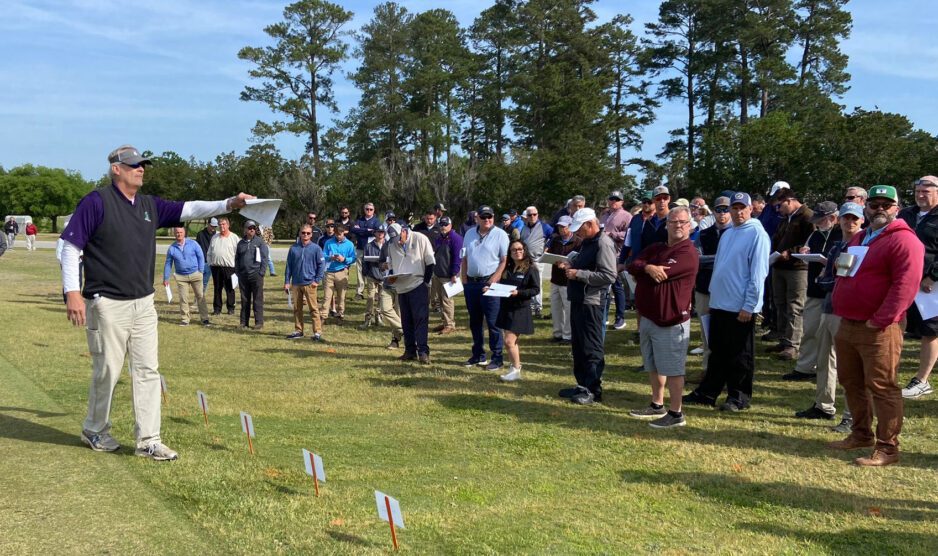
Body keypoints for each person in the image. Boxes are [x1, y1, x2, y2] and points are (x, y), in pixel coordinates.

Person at [61, 144, 253, 460]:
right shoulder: (97, 202)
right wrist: (72, 293)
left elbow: (190, 209)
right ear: (116, 169)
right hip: (106, 303)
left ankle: (149, 440)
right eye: (134, 164)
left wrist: (228, 203)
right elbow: (70, 247)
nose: (141, 169)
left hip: (143, 303)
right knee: (107, 370)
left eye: (143, 164)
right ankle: (94, 430)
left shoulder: (149, 204)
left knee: (148, 370)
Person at [829, 185, 924, 466]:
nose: (879, 208)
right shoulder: (862, 236)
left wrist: (880, 319)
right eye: (874, 204)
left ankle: (888, 447)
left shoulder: (904, 241)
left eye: (886, 204)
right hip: (848, 322)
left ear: (897, 207)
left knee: (883, 387)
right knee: (851, 381)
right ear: (865, 207)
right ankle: (860, 434)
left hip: (879, 327)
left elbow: (905, 286)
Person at [684, 192, 770, 411]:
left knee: (740, 353)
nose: (738, 212)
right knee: (717, 350)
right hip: (720, 302)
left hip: (740, 305)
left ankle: (738, 396)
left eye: (743, 207)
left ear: (751, 209)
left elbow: (758, 273)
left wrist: (750, 305)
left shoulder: (757, 234)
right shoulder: (729, 232)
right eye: (734, 207)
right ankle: (708, 392)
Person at [627, 206, 699, 428]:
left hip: (670, 320)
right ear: (666, 225)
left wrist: (645, 271)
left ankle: (676, 413)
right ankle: (656, 403)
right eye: (673, 222)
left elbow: (663, 275)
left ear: (689, 225)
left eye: (682, 222)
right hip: (649, 317)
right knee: (653, 364)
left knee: (673, 368)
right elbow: (633, 264)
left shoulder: (688, 252)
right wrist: (648, 267)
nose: (678, 226)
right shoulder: (657, 248)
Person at [794, 203, 862, 428]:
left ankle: (851, 415)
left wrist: (832, 280)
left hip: (852, 313)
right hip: (829, 308)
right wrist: (831, 280)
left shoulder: (866, 245)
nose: (849, 222)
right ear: (839, 219)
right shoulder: (836, 246)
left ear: (862, 220)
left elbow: (855, 282)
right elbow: (825, 281)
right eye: (846, 218)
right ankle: (823, 406)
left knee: (851, 366)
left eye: (854, 218)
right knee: (825, 360)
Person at [557, 208, 617, 405]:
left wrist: (579, 274)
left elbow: (609, 276)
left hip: (592, 301)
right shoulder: (588, 242)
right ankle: (582, 384)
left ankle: (593, 389)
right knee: (579, 345)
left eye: (580, 229)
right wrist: (570, 264)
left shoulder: (603, 243)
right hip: (578, 299)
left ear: (590, 224)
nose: (577, 233)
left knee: (591, 346)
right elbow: (585, 262)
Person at [784, 202, 841, 381]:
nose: (817, 223)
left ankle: (828, 371)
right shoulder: (815, 235)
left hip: (835, 290)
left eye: (822, 219)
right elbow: (807, 255)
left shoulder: (842, 234)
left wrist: (830, 262)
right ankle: (805, 367)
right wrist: (805, 253)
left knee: (832, 335)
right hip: (815, 288)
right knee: (810, 329)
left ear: (832, 218)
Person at [898, 176, 938, 399]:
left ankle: (922, 380)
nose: (920, 194)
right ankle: (888, 371)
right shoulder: (907, 214)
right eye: (918, 190)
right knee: (899, 323)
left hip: (929, 286)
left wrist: (933, 277)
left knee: (930, 331)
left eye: (926, 191)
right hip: (904, 279)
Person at [767, 188, 815, 360]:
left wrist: (791, 251)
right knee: (780, 303)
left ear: (789, 200)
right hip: (780, 266)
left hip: (797, 268)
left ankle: (793, 345)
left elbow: (811, 242)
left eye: (779, 206)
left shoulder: (808, 216)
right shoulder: (786, 218)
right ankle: (784, 339)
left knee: (794, 306)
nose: (777, 210)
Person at [461, 205, 510, 370]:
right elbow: (465, 257)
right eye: (483, 217)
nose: (487, 219)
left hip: (490, 283)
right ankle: (478, 355)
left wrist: (492, 282)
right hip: (471, 284)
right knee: (475, 321)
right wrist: (464, 278)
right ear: (477, 218)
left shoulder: (501, 234)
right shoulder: (468, 234)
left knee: (493, 322)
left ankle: (497, 357)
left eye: (490, 216)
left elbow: (504, 260)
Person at [384, 223, 436, 364]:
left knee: (420, 320)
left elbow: (430, 262)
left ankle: (423, 352)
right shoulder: (391, 245)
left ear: (404, 231)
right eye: (393, 239)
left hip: (418, 284)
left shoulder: (420, 238)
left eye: (398, 237)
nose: (396, 241)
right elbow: (391, 267)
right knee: (406, 321)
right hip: (401, 287)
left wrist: (426, 282)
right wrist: (390, 276)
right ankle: (410, 351)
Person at [491, 239, 540, 382]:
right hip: (506, 307)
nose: (517, 252)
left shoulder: (531, 268)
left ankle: (516, 369)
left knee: (508, 341)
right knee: (511, 342)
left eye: (520, 249)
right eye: (514, 250)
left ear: (524, 251)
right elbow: (503, 286)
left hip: (520, 309)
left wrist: (518, 293)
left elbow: (535, 289)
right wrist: (491, 289)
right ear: (510, 253)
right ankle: (514, 368)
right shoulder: (508, 267)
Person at [692, 195, 732, 370]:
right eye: (719, 209)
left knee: (726, 333)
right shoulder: (704, 234)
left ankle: (725, 372)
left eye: (726, 209)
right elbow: (697, 259)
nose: (722, 213)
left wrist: (713, 260)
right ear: (713, 211)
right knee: (706, 332)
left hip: (728, 289)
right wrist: (722, 259)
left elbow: (736, 261)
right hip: (704, 287)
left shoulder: (736, 233)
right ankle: (707, 371)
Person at [284, 223, 326, 341]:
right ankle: (298, 330)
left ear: (311, 235)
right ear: (300, 234)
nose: (305, 235)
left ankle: (317, 332)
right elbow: (289, 266)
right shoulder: (293, 248)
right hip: (296, 283)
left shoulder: (316, 248)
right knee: (297, 309)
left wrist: (316, 280)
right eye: (303, 233)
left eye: (308, 233)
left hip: (310, 283)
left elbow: (321, 265)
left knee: (313, 309)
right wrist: (287, 281)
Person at [162, 226, 209, 326]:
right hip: (181, 277)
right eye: (177, 232)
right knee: (183, 298)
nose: (179, 234)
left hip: (196, 274)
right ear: (175, 234)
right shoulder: (172, 248)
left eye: (181, 232)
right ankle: (185, 319)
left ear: (184, 233)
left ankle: (205, 319)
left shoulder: (193, 243)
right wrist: (166, 278)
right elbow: (168, 263)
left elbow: (201, 256)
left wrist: (200, 270)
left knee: (200, 296)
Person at [601, 191, 632, 330]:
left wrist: (613, 234)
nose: (614, 201)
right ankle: (604, 315)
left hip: (616, 254)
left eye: (617, 199)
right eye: (612, 198)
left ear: (622, 202)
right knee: (603, 284)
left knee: (616, 286)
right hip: (602, 253)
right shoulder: (604, 214)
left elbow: (629, 234)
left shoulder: (627, 216)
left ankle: (620, 318)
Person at [547, 215, 580, 343]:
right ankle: (557, 333)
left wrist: (568, 264)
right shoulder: (555, 240)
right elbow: (550, 252)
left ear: (570, 227)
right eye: (559, 227)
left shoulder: (578, 241)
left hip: (568, 280)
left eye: (564, 227)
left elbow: (579, 259)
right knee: (555, 308)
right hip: (555, 278)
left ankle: (567, 335)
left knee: (568, 309)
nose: (561, 229)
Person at [519, 206, 553, 318]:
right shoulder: (523, 228)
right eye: (530, 215)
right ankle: (529, 306)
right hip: (525, 260)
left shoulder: (544, 226)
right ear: (526, 216)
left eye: (534, 214)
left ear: (537, 215)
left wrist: (547, 247)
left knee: (537, 284)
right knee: (525, 283)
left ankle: (537, 308)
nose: (532, 216)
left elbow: (553, 236)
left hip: (538, 259)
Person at [431, 216, 463, 334]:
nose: (443, 227)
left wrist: (454, 273)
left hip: (448, 275)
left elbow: (457, 257)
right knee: (440, 300)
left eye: (445, 225)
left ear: (450, 225)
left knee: (447, 300)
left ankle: (450, 324)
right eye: (441, 225)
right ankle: (445, 322)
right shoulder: (439, 238)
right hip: (438, 273)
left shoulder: (456, 239)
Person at [235, 220, 269, 330]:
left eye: (253, 228)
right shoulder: (240, 243)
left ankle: (259, 322)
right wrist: (238, 272)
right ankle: (244, 322)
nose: (252, 230)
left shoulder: (260, 242)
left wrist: (261, 273)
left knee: (257, 299)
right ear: (245, 230)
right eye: (250, 228)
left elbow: (264, 258)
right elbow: (237, 259)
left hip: (256, 275)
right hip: (243, 276)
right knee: (245, 299)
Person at [321, 224, 356, 320]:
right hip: (329, 272)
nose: (338, 236)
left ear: (344, 233)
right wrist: (330, 257)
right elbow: (323, 255)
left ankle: (340, 313)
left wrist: (344, 259)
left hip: (342, 271)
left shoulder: (349, 244)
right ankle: (324, 314)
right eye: (336, 234)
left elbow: (353, 258)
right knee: (327, 295)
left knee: (341, 296)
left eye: (340, 234)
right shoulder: (329, 242)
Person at [206, 217, 239, 315]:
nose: (222, 226)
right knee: (217, 288)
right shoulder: (215, 237)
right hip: (216, 267)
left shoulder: (234, 237)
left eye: (224, 224)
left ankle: (231, 308)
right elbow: (210, 252)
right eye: (220, 224)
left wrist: (237, 268)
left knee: (230, 288)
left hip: (229, 267)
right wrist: (210, 263)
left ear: (228, 225)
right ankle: (217, 309)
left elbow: (238, 254)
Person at [360, 226, 388, 329]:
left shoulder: (388, 245)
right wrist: (366, 272)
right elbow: (364, 261)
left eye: (382, 232)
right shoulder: (368, 246)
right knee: (370, 297)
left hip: (385, 276)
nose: (380, 234)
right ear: (375, 233)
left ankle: (379, 316)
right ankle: (368, 318)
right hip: (372, 274)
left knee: (382, 297)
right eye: (378, 232)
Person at [350, 202, 379, 299]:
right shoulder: (359, 220)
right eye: (367, 209)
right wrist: (367, 230)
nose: (369, 211)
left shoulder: (376, 221)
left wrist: (362, 230)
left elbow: (376, 232)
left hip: (372, 249)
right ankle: (359, 292)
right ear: (364, 209)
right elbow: (354, 230)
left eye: (371, 209)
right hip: (360, 248)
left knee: (374, 269)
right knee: (359, 270)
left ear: (373, 210)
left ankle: (375, 292)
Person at [196, 217, 217, 291]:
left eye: (215, 227)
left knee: (220, 282)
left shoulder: (217, 236)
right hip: (203, 262)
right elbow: (196, 249)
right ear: (208, 224)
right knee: (202, 282)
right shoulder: (200, 234)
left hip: (214, 263)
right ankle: (199, 299)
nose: (213, 228)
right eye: (212, 226)